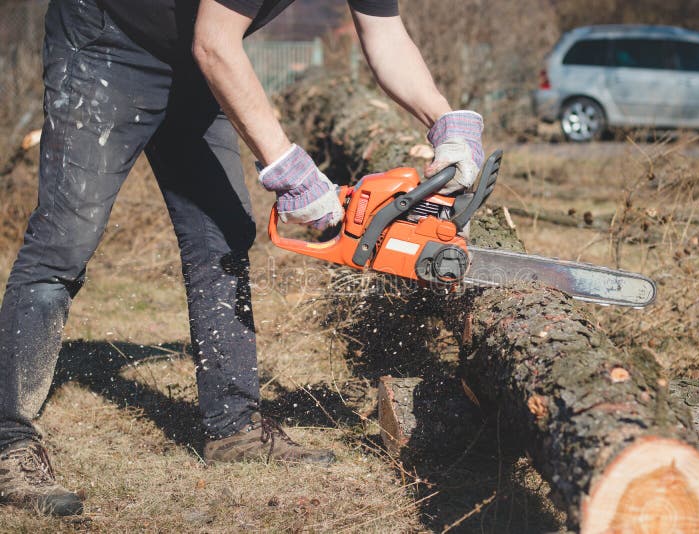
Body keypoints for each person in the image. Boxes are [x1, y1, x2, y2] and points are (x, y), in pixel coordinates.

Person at [0, 0, 484, 516]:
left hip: (193, 60)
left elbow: (383, 31)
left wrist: (445, 120)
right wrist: (289, 169)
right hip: (105, 43)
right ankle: (7, 443)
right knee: (63, 242)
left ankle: (234, 428)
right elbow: (214, 41)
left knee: (224, 232)